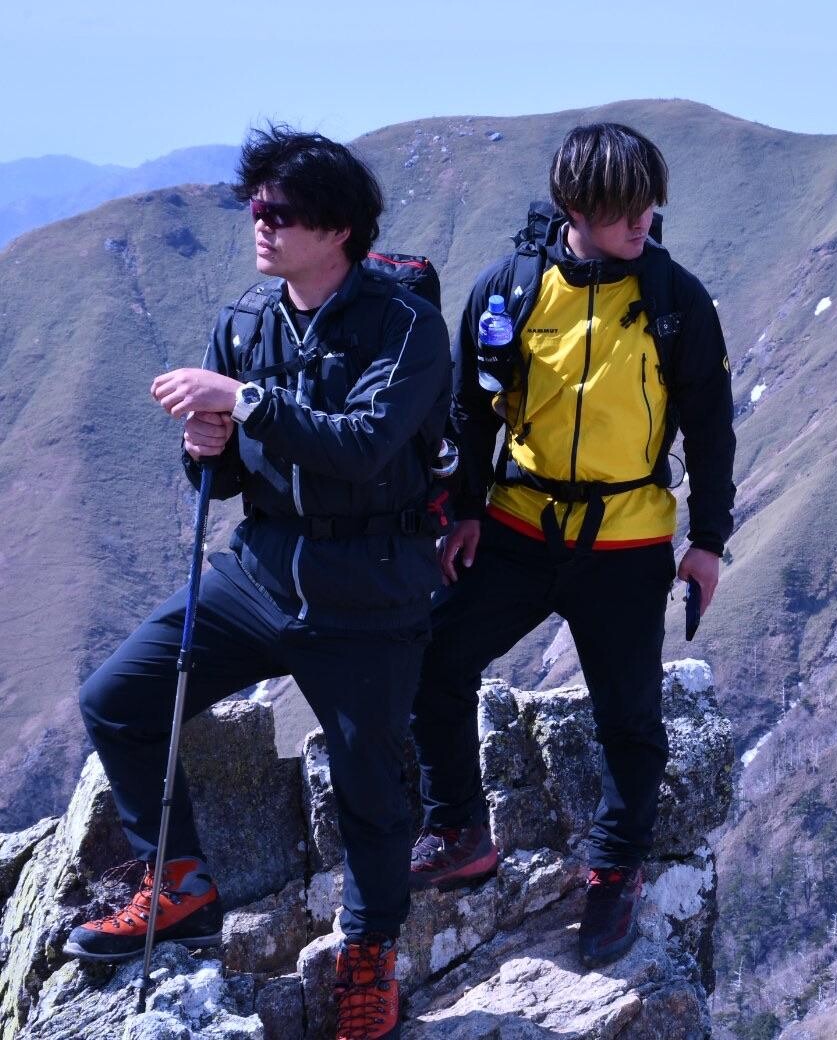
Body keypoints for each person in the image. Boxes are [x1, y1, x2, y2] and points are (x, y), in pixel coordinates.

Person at [69, 126, 450, 1040]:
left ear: (340, 228)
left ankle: (368, 956)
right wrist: (204, 446)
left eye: (279, 212)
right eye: (256, 209)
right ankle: (182, 882)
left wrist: (240, 404)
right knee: (118, 695)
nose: (261, 225)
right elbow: (229, 475)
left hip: (370, 585)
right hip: (264, 570)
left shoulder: (405, 326)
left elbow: (363, 448)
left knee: (369, 781)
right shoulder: (247, 321)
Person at [408, 122, 736, 968]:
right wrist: (464, 512)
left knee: (630, 722)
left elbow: (709, 426)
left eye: (649, 204)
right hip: (517, 528)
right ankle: (458, 831)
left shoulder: (674, 298)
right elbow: (471, 413)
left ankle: (610, 875)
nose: (644, 221)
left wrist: (708, 543)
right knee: (433, 661)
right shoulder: (508, 290)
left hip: (628, 543)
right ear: (572, 208)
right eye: (624, 207)